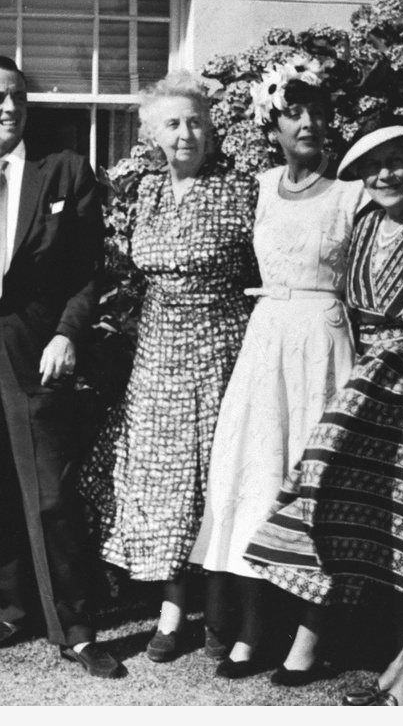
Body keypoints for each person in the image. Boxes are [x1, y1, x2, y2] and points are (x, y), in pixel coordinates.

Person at [244, 115, 403, 706]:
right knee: (339, 493)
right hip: (375, 388)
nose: (386, 174)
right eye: (372, 167)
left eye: (399, 160)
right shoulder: (365, 224)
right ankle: (400, 654)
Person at [0, 55, 123, 679]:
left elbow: (91, 271)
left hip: (37, 351)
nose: (9, 108)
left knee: (50, 493)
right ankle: (10, 609)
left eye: (17, 97)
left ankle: (78, 627)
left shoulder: (63, 170)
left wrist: (67, 333)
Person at [187, 56, 363, 680]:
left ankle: (311, 635)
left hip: (323, 340)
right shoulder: (259, 186)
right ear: (272, 126)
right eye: (293, 113)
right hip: (265, 345)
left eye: (317, 111)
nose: (308, 123)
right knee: (256, 475)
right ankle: (254, 628)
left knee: (314, 485)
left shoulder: (352, 193)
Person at [78, 71, 254, 663]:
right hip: (157, 352)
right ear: (154, 134)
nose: (186, 134)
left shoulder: (238, 190)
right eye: (174, 124)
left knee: (218, 476)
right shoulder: (147, 192)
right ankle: (172, 612)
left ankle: (224, 615)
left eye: (196, 122)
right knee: (165, 481)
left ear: (213, 131)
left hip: (219, 347)